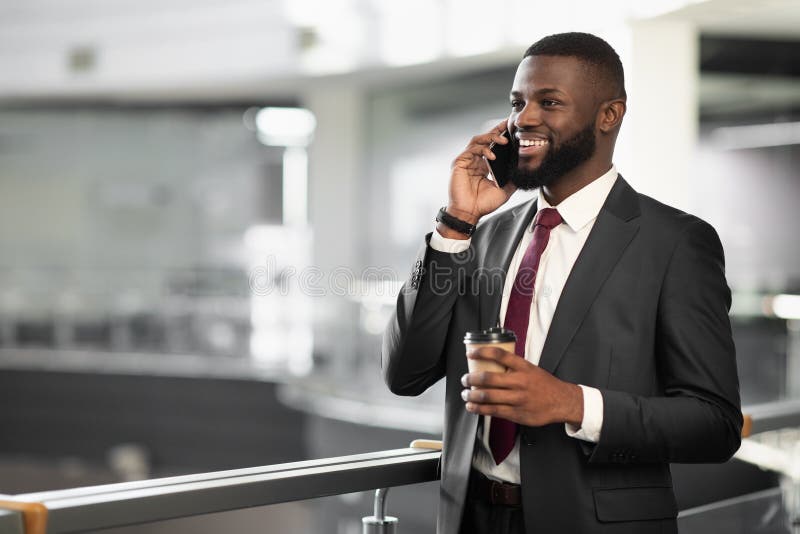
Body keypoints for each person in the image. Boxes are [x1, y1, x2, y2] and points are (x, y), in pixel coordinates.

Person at [382, 32, 742, 534]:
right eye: (517, 102)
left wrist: (572, 402)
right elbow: (405, 374)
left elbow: (715, 425)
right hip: (470, 518)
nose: (523, 118)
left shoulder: (677, 244)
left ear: (609, 115)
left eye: (549, 102)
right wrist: (455, 223)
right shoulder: (480, 236)